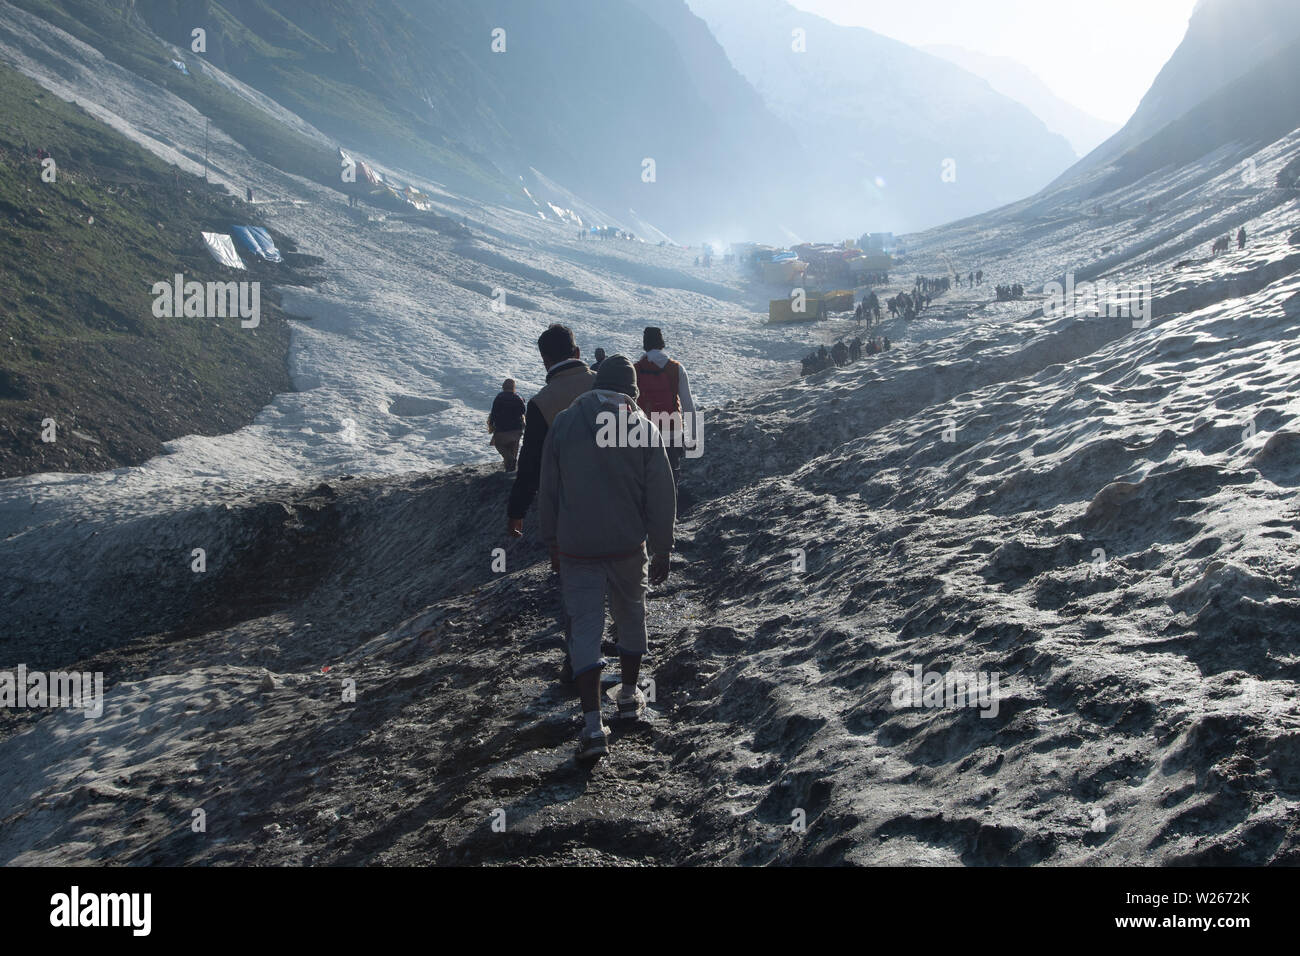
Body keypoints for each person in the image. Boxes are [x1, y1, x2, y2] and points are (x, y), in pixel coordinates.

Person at [538, 355, 676, 760]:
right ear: (631, 392)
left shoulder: (564, 422)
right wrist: (662, 546)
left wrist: (552, 542)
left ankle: (593, 725)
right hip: (627, 546)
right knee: (631, 615)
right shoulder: (642, 428)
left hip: (577, 547)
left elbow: (549, 490)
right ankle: (630, 697)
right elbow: (661, 495)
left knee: (585, 629)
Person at [507, 324, 597, 537]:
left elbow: (531, 462)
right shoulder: (607, 384)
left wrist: (516, 511)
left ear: (545, 361)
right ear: (577, 353)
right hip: (622, 498)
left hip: (572, 505)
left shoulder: (541, 403)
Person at [634, 327, 697, 493]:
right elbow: (688, 405)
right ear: (662, 343)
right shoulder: (676, 368)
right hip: (672, 431)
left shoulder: (636, 369)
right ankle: (671, 516)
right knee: (670, 479)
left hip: (644, 433)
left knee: (645, 481)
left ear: (644, 344)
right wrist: (693, 437)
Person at [487, 378, 526, 472]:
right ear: (513, 387)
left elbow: (494, 413)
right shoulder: (518, 397)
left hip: (502, 429)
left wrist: (491, 424)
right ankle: (511, 471)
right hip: (517, 429)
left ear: (503, 387)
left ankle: (510, 460)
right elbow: (523, 411)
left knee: (499, 445)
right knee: (513, 448)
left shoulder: (499, 397)